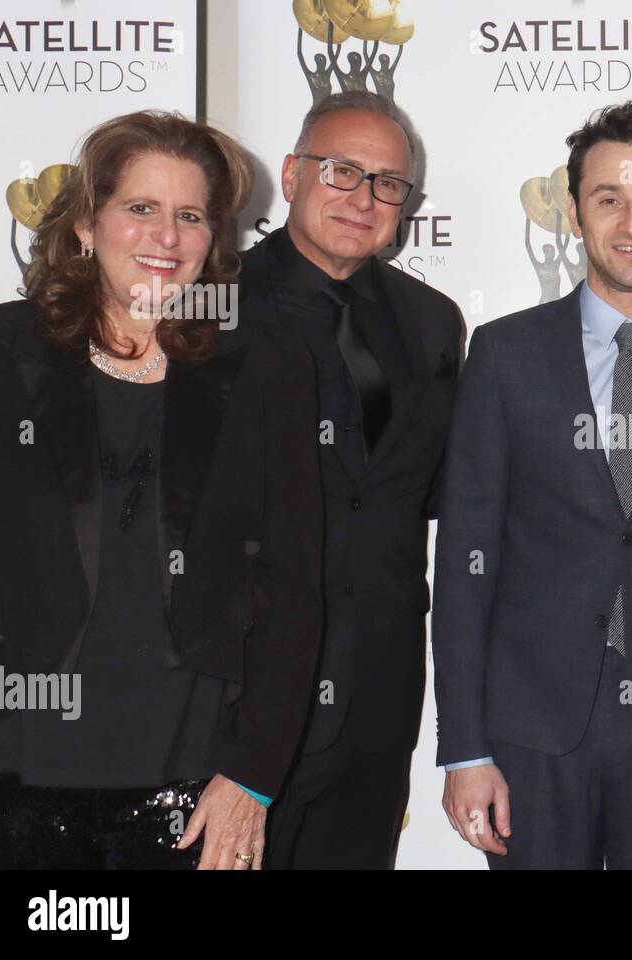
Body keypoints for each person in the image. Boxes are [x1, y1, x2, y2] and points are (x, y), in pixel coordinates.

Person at [0, 110, 323, 870]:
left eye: (190, 216)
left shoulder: (266, 367)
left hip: (197, 790)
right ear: (84, 226)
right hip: (23, 778)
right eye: (140, 208)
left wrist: (254, 779)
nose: (165, 238)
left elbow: (294, 588)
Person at [432, 96, 632, 869]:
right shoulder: (505, 356)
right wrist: (463, 748)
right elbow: (465, 561)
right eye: (609, 199)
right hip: (530, 737)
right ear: (574, 214)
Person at [251, 91, 464, 870]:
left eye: (388, 184)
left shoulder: (433, 323)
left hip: (379, 696)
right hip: (240, 701)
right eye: (342, 171)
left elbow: (441, 489)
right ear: (292, 173)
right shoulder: (207, 306)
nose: (364, 198)